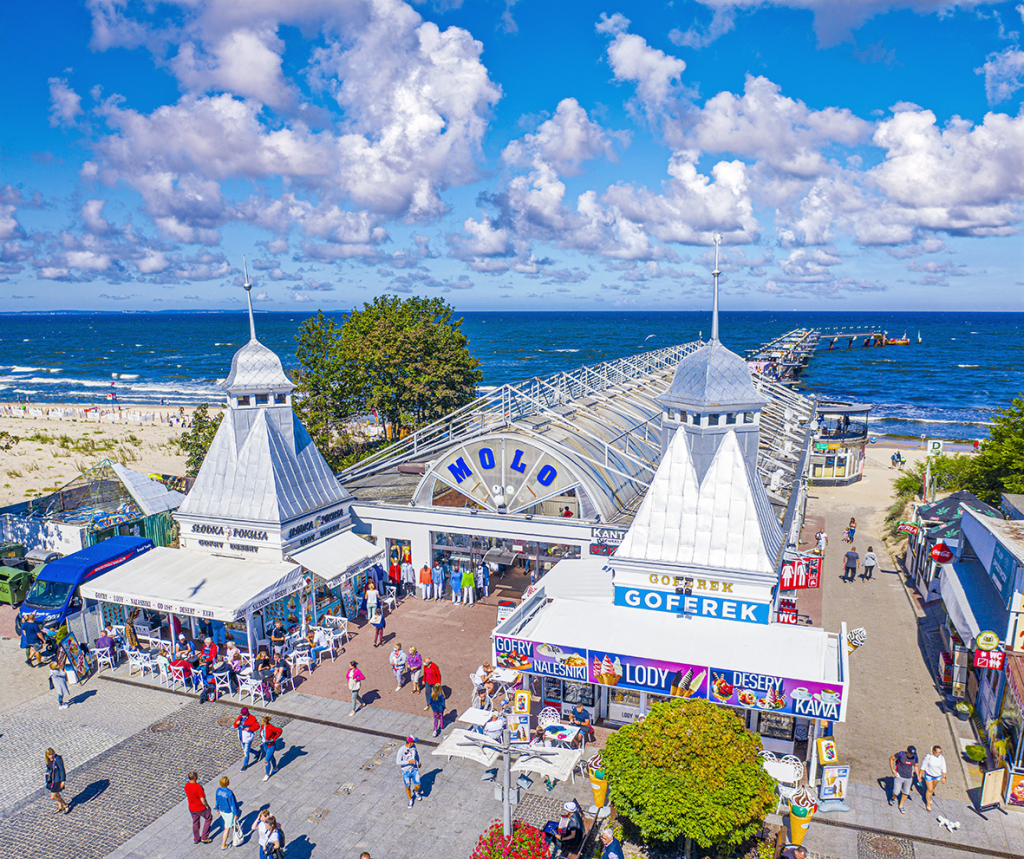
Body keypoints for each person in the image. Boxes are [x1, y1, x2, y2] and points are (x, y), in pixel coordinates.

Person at [184, 771, 213, 844]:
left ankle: (196, 839)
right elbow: (202, 799)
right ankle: (204, 837)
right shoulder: (198, 787)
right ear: (195, 778)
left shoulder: (186, 785)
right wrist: (207, 806)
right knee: (208, 818)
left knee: (195, 822)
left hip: (191, 808)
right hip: (200, 808)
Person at [889, 744, 920, 813]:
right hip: (899, 776)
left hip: (909, 777)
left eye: (913, 754)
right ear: (907, 751)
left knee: (906, 792)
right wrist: (893, 770)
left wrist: (918, 775)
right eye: (910, 754)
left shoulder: (915, 757)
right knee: (896, 792)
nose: (911, 755)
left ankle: (901, 806)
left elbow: (916, 766)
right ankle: (893, 798)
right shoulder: (901, 754)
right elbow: (891, 759)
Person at [215, 775, 241, 850]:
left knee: (229, 823)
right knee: (227, 828)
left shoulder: (218, 790)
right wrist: (235, 814)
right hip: (228, 812)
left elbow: (217, 800)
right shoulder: (229, 793)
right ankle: (223, 845)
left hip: (222, 810)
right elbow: (232, 805)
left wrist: (216, 807)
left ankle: (237, 830)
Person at [396, 737, 423, 808]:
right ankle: (410, 799)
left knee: (418, 785)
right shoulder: (401, 750)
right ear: (410, 743)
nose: (414, 743)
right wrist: (408, 762)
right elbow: (398, 762)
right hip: (406, 771)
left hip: (414, 769)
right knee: (407, 786)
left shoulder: (413, 747)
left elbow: (416, 754)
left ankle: (416, 791)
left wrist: (419, 761)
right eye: (414, 742)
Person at [921, 745, 947, 811]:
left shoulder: (941, 758)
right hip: (929, 775)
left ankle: (929, 798)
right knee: (930, 789)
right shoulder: (929, 757)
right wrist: (920, 775)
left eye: (940, 752)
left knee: (932, 789)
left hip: (937, 776)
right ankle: (928, 804)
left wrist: (944, 777)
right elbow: (923, 766)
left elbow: (944, 768)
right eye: (937, 752)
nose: (939, 754)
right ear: (933, 751)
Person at [234, 706, 261, 771]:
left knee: (246, 752)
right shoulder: (240, 717)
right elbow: (235, 726)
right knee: (246, 749)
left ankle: (245, 765)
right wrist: (237, 723)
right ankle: (257, 753)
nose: (243, 715)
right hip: (241, 737)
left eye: (244, 714)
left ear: (247, 712)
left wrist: (249, 728)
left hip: (248, 737)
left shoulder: (252, 718)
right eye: (242, 714)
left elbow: (257, 726)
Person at [45, 748, 69, 814]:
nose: (51, 756)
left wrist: (63, 781)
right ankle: (60, 807)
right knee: (57, 794)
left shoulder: (58, 759)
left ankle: (65, 805)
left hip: (57, 780)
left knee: (53, 796)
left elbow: (62, 770)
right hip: (51, 780)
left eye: (52, 754)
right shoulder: (48, 760)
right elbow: (49, 769)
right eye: (49, 755)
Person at [260, 716, 283, 781]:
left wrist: (274, 738)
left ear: (265, 722)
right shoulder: (262, 726)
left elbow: (280, 730)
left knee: (266, 761)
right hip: (265, 744)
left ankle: (267, 774)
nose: (260, 722)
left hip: (270, 745)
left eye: (261, 721)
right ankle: (275, 768)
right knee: (271, 757)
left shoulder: (270, 727)